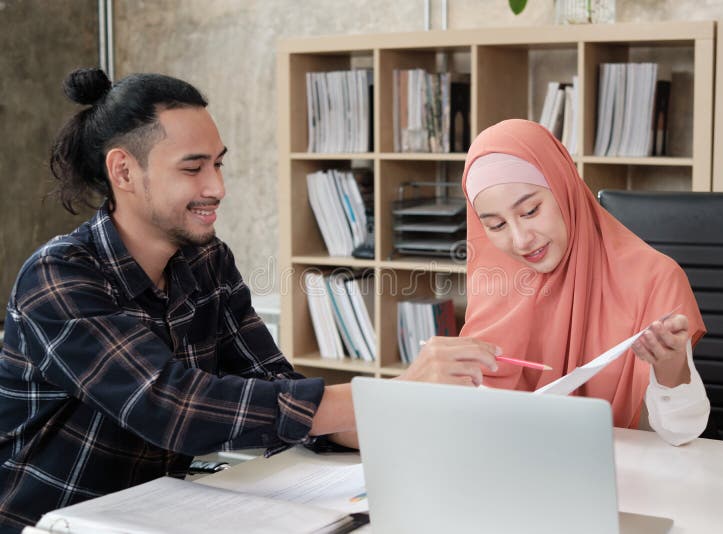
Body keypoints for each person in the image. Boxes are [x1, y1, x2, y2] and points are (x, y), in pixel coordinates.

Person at [0, 68, 495, 532]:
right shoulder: (59, 276)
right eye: (193, 168)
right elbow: (176, 408)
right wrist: (386, 395)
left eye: (218, 164)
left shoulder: (207, 262)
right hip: (51, 521)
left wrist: (403, 422)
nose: (217, 187)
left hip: (158, 515)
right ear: (123, 172)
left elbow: (275, 387)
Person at [417, 119, 710, 446]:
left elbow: (682, 433)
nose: (520, 240)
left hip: (625, 480)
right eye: (497, 225)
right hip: (518, 472)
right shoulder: (497, 284)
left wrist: (671, 368)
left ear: (564, 187)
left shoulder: (654, 278)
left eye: (530, 211)